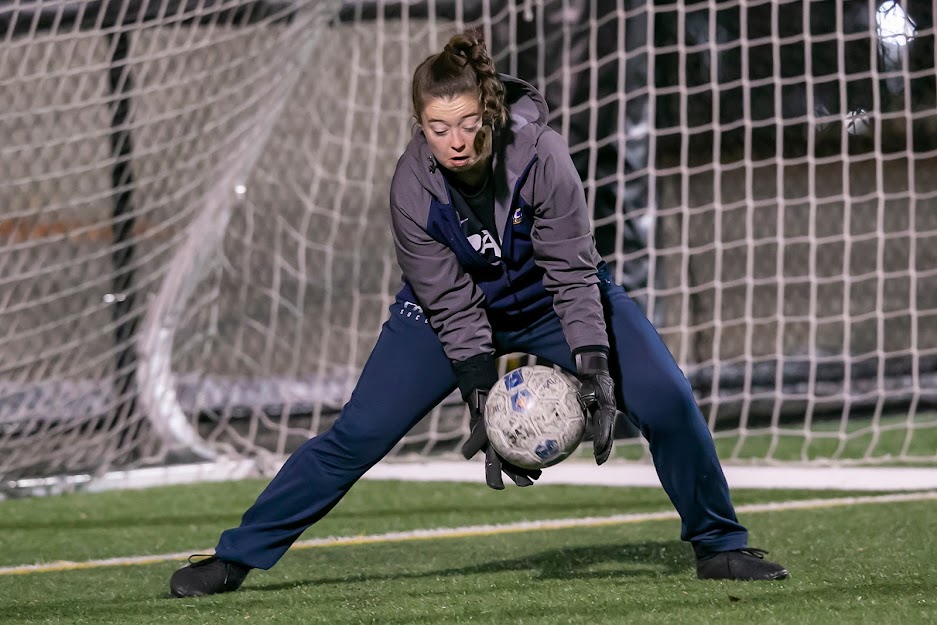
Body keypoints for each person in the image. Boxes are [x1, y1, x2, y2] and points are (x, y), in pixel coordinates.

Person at [168, 32, 788, 598]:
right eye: (439, 128)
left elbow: (572, 271)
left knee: (668, 398)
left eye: (467, 124)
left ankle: (720, 546)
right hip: (448, 317)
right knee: (356, 435)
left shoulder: (543, 155)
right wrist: (480, 392)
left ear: (488, 114)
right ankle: (235, 558)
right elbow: (449, 302)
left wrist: (594, 366)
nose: (456, 142)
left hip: (552, 298)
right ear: (420, 126)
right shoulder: (411, 188)